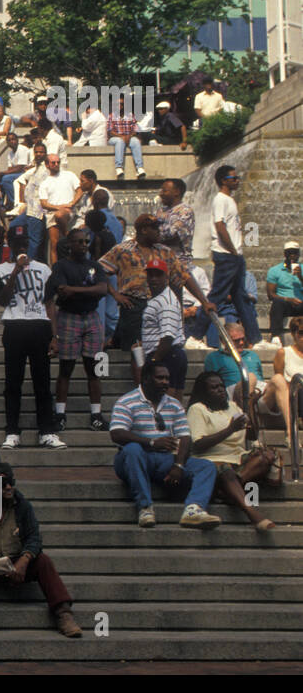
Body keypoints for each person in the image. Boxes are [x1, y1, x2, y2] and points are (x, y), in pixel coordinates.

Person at [0, 462, 82, 638]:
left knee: (43, 561)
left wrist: (25, 559)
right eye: (2, 484)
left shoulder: (22, 506)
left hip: (14, 566)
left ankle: (64, 614)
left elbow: (34, 538)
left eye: (11, 482)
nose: (8, 487)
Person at [111, 360, 221, 529]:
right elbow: (116, 433)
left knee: (206, 466)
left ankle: (194, 509)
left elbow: (184, 437)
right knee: (132, 450)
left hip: (165, 459)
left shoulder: (174, 404)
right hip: (136, 459)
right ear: (146, 379)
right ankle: (145, 508)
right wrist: (151, 442)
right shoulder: (127, 401)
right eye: (160, 378)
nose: (165, 382)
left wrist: (178, 465)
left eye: (167, 378)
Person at [0, 227, 65, 450]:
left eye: (25, 243)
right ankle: (12, 431)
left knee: (42, 382)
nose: (22, 247)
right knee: (13, 382)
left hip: (40, 327)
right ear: (9, 244)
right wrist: (15, 273)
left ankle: (47, 431)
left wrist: (55, 336)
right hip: (14, 327)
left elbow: (50, 304)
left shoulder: (43, 269)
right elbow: (2, 299)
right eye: (17, 243)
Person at [99, 213, 214, 356]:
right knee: (136, 350)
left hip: (159, 304)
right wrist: (116, 295)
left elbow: (184, 277)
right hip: (133, 304)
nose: (159, 230)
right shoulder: (122, 250)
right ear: (144, 230)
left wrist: (204, 302)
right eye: (155, 228)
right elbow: (99, 270)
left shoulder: (165, 252)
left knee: (157, 346)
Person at [187, 372, 277, 531]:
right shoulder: (197, 409)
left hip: (238, 459)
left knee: (264, 458)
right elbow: (199, 444)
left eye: (221, 386)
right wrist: (230, 430)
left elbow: (252, 434)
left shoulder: (233, 407)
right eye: (214, 387)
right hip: (212, 460)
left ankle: (226, 492)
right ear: (203, 392)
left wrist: (251, 407)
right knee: (227, 471)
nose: (221, 390)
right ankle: (252, 512)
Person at [46, 228, 110, 432]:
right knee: (66, 367)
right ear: (70, 244)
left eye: (86, 241)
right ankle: (60, 413)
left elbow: (103, 289)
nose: (84, 245)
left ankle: (96, 414)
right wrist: (81, 292)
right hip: (69, 316)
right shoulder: (61, 266)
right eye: (79, 242)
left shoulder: (94, 265)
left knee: (95, 368)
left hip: (91, 317)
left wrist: (75, 290)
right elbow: (61, 292)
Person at [207, 165, 263, 347]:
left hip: (235, 256)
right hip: (226, 255)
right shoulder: (220, 199)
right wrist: (232, 250)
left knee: (242, 299)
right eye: (234, 178)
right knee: (215, 296)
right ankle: (195, 334)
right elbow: (219, 226)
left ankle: (256, 339)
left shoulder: (230, 200)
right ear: (224, 181)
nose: (238, 180)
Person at [139, 258, 187, 401]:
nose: (153, 279)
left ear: (166, 277)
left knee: (164, 402)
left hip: (167, 356)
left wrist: (154, 362)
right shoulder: (159, 298)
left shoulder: (166, 302)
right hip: (169, 355)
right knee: (172, 402)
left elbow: (168, 337)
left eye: (158, 275)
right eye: (150, 274)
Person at [36, 154, 81, 267]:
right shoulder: (44, 183)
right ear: (47, 165)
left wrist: (72, 203)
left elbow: (79, 190)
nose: (56, 165)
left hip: (68, 211)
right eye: (53, 163)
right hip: (52, 213)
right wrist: (59, 207)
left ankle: (67, 237)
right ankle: (55, 270)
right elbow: (44, 203)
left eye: (58, 162)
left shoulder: (69, 175)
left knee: (60, 215)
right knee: (54, 244)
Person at [263, 316, 303, 419]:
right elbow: (280, 381)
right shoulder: (283, 353)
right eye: (301, 333)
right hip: (292, 395)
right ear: (294, 334)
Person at [106, 98, 145, 179]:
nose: (119, 106)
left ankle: (140, 168)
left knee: (136, 141)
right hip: (115, 138)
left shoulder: (130, 115)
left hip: (128, 137)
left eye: (122, 104)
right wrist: (122, 137)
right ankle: (119, 168)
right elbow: (110, 131)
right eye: (117, 104)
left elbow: (136, 129)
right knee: (120, 141)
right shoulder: (111, 116)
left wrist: (129, 136)